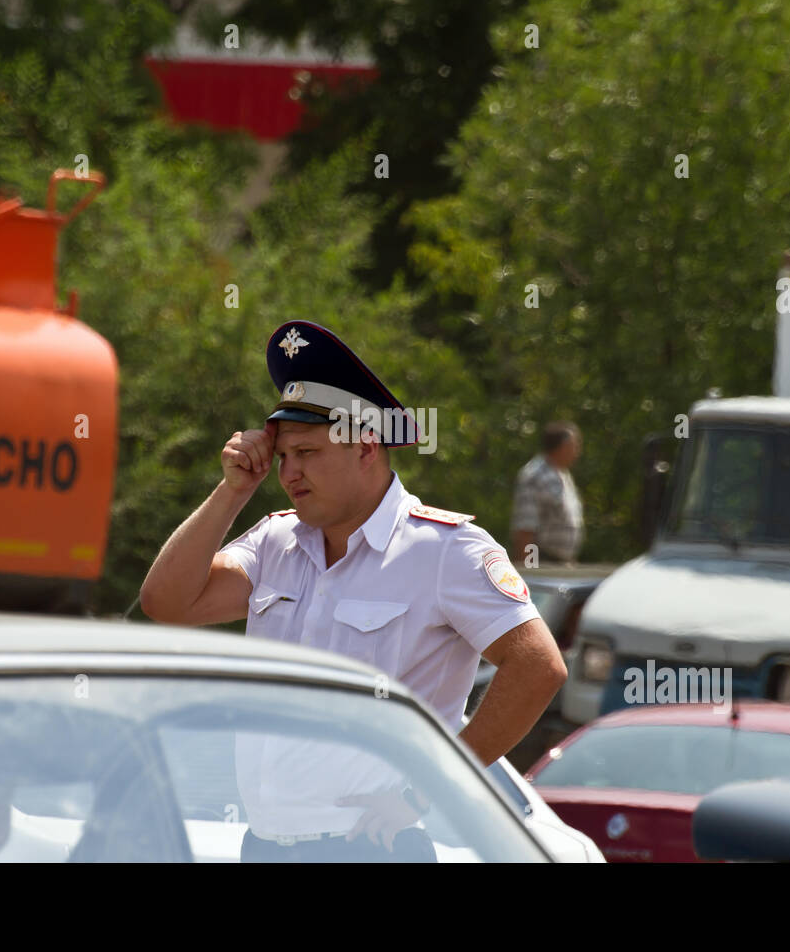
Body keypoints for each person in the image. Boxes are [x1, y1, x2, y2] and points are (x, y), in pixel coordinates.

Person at [140, 321, 567, 862]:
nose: (290, 473)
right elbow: (166, 604)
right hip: (264, 848)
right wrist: (232, 491)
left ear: (366, 446)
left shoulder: (442, 549)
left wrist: (426, 792)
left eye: (308, 453)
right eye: (283, 458)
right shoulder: (278, 540)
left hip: (372, 849)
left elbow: (538, 666)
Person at [511, 421, 585, 566]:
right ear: (561, 447)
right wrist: (530, 571)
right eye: (573, 446)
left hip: (562, 563)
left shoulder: (563, 475)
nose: (577, 452)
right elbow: (525, 529)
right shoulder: (535, 476)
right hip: (542, 562)